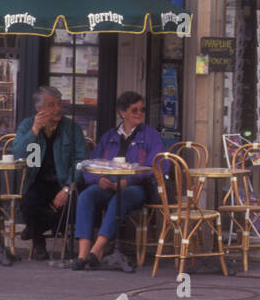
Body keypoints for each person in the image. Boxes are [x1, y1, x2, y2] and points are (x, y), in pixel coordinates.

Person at [72, 91, 165, 272]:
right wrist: (99, 179)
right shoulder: (109, 136)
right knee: (85, 197)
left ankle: (95, 251)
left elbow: (158, 165)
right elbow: (92, 162)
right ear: (122, 113)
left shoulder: (151, 135)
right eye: (134, 110)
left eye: (142, 110)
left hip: (136, 187)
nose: (139, 113)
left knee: (119, 200)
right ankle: (82, 256)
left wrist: (128, 181)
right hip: (109, 184)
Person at [13, 86, 87, 260]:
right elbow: (18, 154)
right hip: (37, 182)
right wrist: (34, 130)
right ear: (39, 109)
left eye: (59, 104)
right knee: (28, 203)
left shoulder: (71, 128)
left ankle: (33, 229)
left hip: (63, 183)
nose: (57, 109)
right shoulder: (27, 125)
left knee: (73, 205)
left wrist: (68, 188)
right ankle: (38, 242)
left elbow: (80, 161)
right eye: (51, 105)